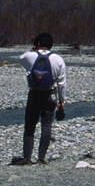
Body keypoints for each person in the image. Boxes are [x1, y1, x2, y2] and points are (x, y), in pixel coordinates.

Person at [15, 33, 66, 165]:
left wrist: (33, 49)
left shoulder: (29, 56)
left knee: (30, 126)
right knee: (46, 126)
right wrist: (61, 101)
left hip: (34, 94)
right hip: (50, 95)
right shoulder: (58, 59)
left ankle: (27, 158)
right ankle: (41, 158)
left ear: (37, 43)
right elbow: (62, 83)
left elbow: (21, 58)